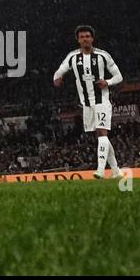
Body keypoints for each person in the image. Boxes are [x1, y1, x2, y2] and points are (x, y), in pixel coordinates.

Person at [52, 25, 124, 180]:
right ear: (78, 40)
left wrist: (108, 82)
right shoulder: (72, 57)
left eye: (87, 36)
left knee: (102, 132)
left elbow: (119, 76)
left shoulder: (103, 55)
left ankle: (100, 170)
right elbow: (60, 70)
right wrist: (57, 78)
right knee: (99, 135)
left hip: (102, 100)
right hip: (86, 103)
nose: (85, 39)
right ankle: (116, 170)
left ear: (92, 38)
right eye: (82, 37)